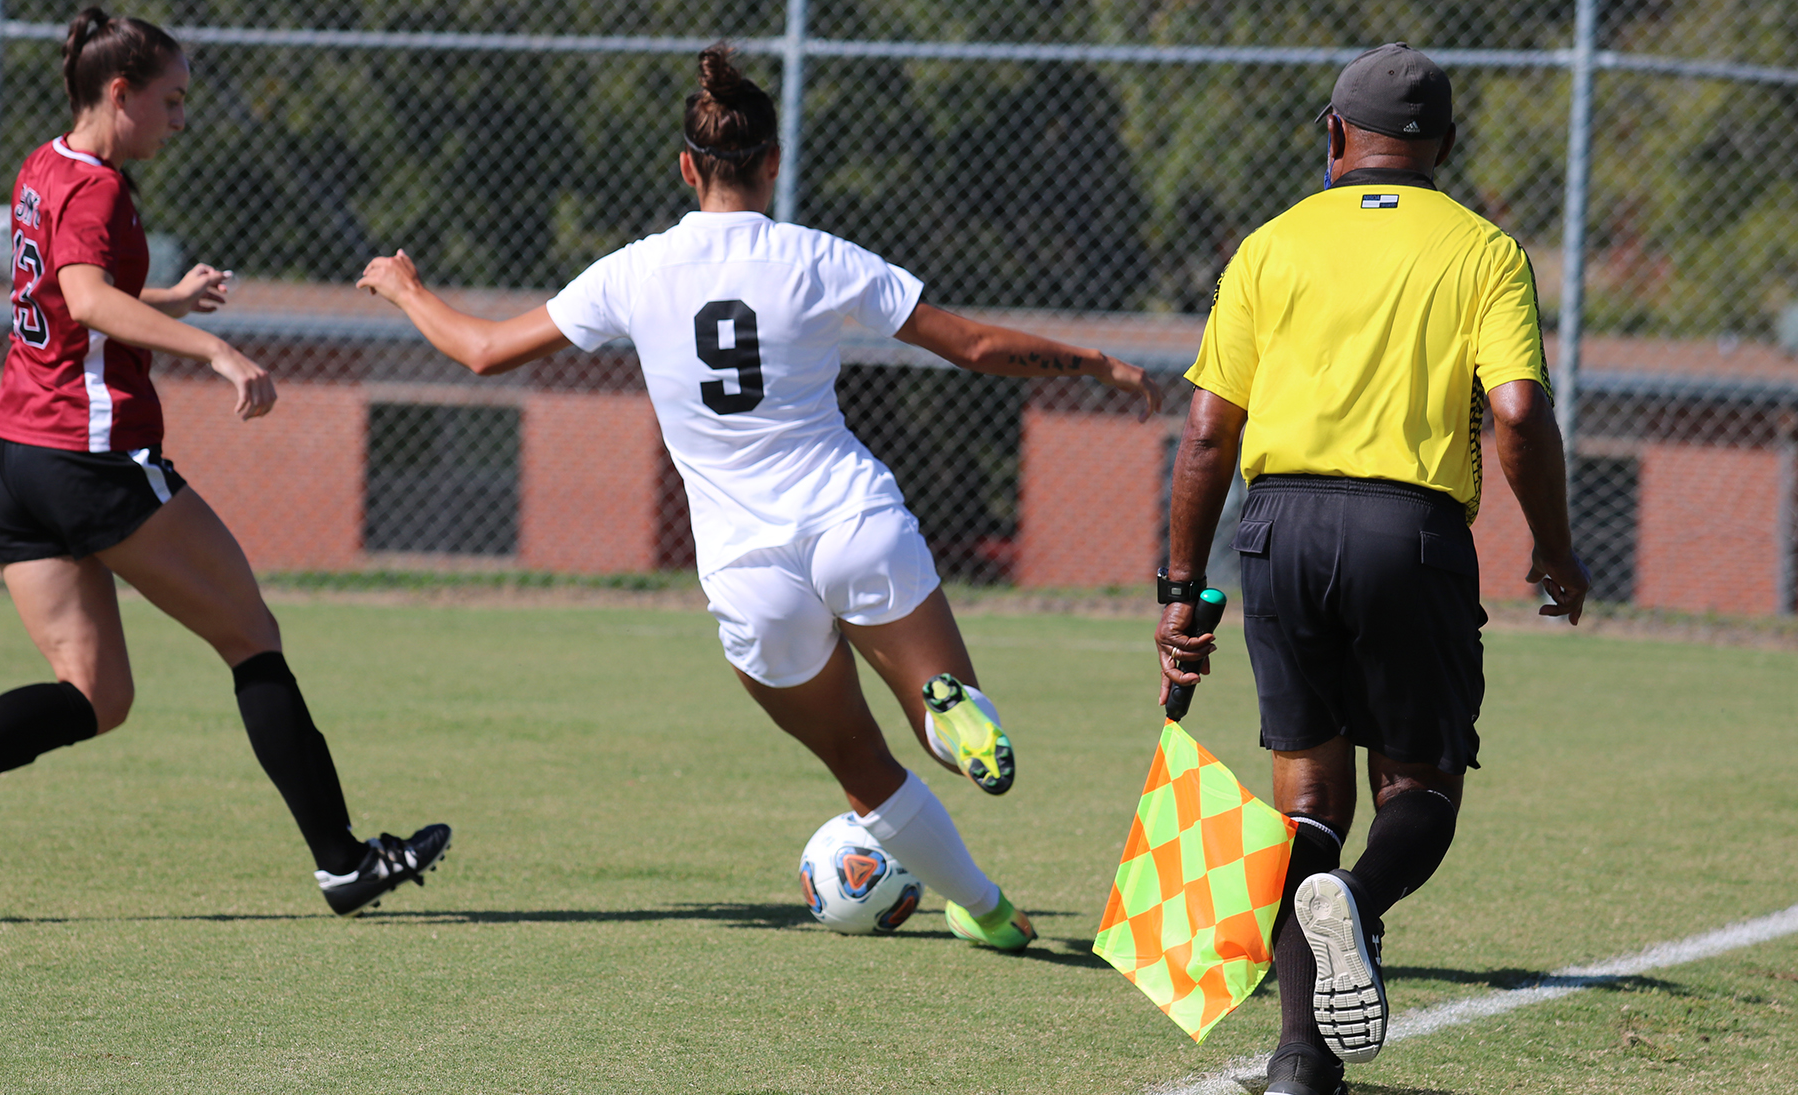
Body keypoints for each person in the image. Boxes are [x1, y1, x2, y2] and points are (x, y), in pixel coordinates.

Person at [360, 45, 1162, 952]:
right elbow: (972, 347)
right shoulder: (817, 259)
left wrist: (407, 288)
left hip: (747, 569)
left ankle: (987, 910)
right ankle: (949, 708)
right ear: (772, 163)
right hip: (852, 521)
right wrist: (1093, 361)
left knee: (860, 763)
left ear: (685, 168)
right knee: (937, 708)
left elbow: (481, 350)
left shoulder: (635, 272)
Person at [0, 8, 448, 918]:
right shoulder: (98, 189)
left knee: (97, 694)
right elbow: (90, 299)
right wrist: (212, 351)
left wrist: (171, 296)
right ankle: (343, 862)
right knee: (251, 637)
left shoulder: (44, 165)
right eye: (170, 101)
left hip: (13, 458)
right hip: (89, 459)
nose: (181, 117)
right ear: (119, 93)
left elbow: (68, 294)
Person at [1152, 44, 1590, 1095]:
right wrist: (1553, 547)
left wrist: (1180, 591)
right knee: (1418, 785)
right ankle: (1358, 898)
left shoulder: (1269, 243)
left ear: (1333, 134)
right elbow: (1519, 413)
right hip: (1408, 529)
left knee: (1306, 796)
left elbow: (1208, 434)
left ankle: (1301, 1060)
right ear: (1441, 143)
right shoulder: (1483, 249)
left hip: (1277, 526)